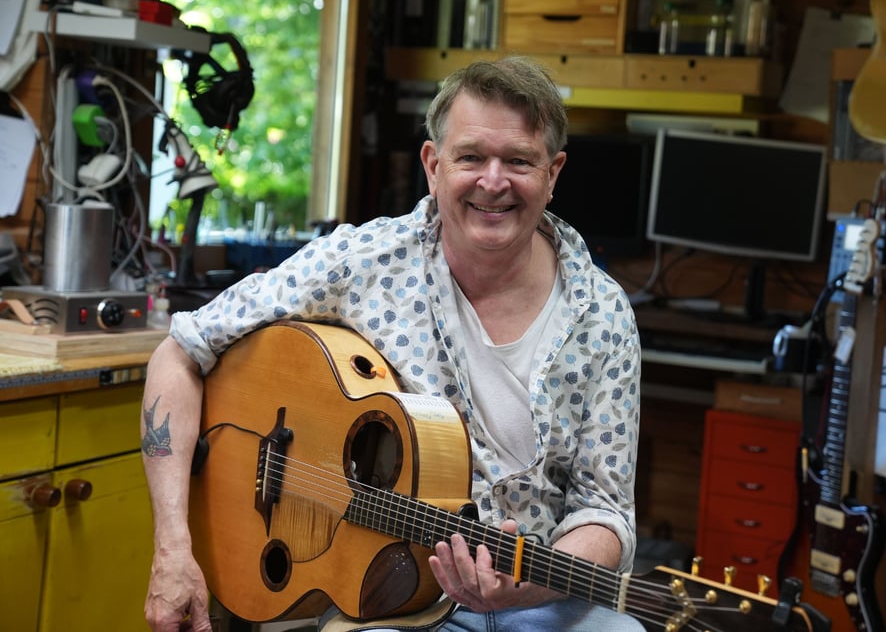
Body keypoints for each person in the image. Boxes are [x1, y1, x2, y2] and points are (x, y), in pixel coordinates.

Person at [141, 55, 643, 631]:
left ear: (552, 174)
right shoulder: (361, 262)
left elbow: (604, 512)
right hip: (387, 602)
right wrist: (173, 548)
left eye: (519, 161)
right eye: (471, 157)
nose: (493, 181)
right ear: (433, 165)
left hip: (544, 600)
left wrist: (527, 586)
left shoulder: (603, 315)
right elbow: (179, 353)